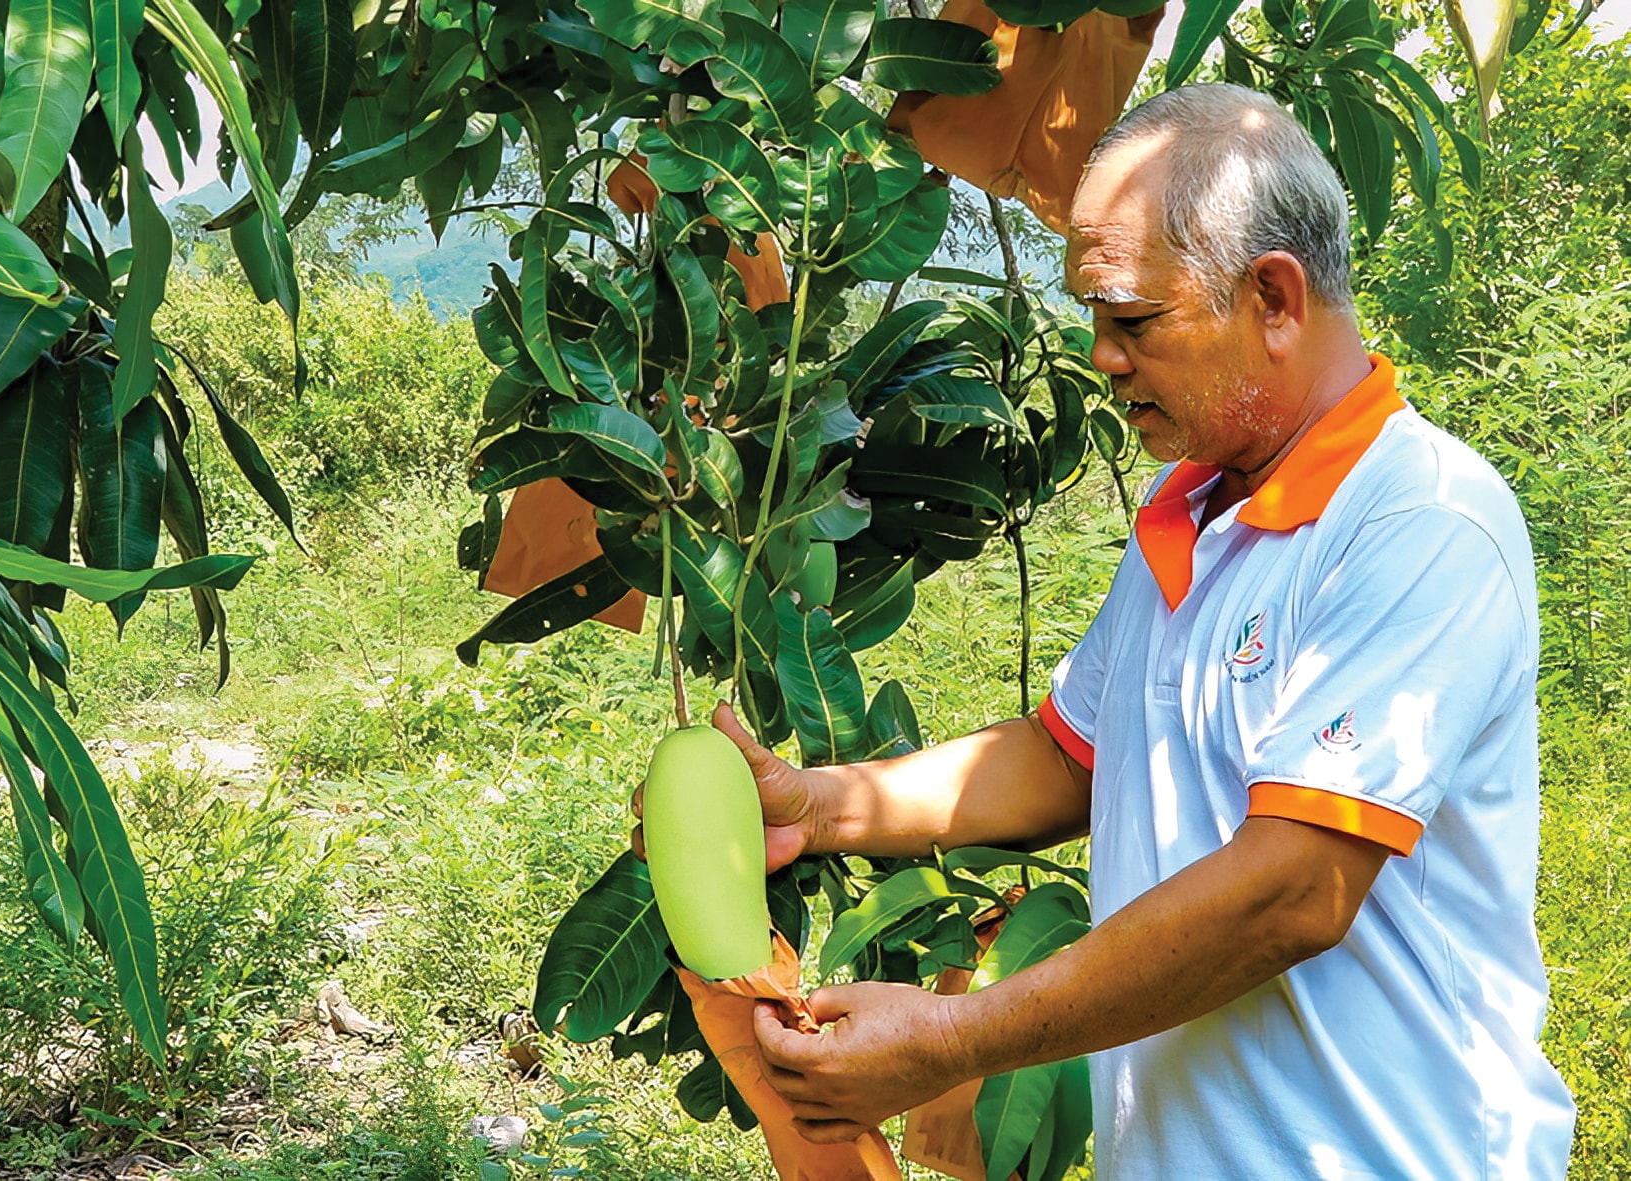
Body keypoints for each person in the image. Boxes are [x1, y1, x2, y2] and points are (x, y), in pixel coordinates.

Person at [635, 83, 1576, 1177]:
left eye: (1131, 319)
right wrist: (819, 803)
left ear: (1273, 297)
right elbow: (1064, 758)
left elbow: (1294, 887)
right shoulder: (1187, 510)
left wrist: (945, 1039)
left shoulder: (1417, 518)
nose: (1102, 357)